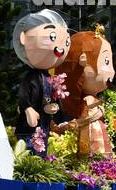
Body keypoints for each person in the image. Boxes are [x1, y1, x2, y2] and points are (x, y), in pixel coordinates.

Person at [11, 9, 71, 142]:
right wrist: (27, 109)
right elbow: (23, 95)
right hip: (29, 127)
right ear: (23, 38)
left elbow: (53, 97)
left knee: (42, 150)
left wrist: (55, 108)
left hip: (44, 125)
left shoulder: (50, 78)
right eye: (52, 37)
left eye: (66, 42)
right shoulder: (31, 77)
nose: (60, 49)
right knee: (28, 149)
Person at [55, 28, 116, 157]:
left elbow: (92, 114)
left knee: (100, 151)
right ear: (82, 63)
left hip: (96, 130)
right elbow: (87, 116)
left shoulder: (92, 98)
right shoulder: (87, 100)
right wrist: (74, 124)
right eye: (106, 62)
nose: (111, 71)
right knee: (91, 153)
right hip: (89, 133)